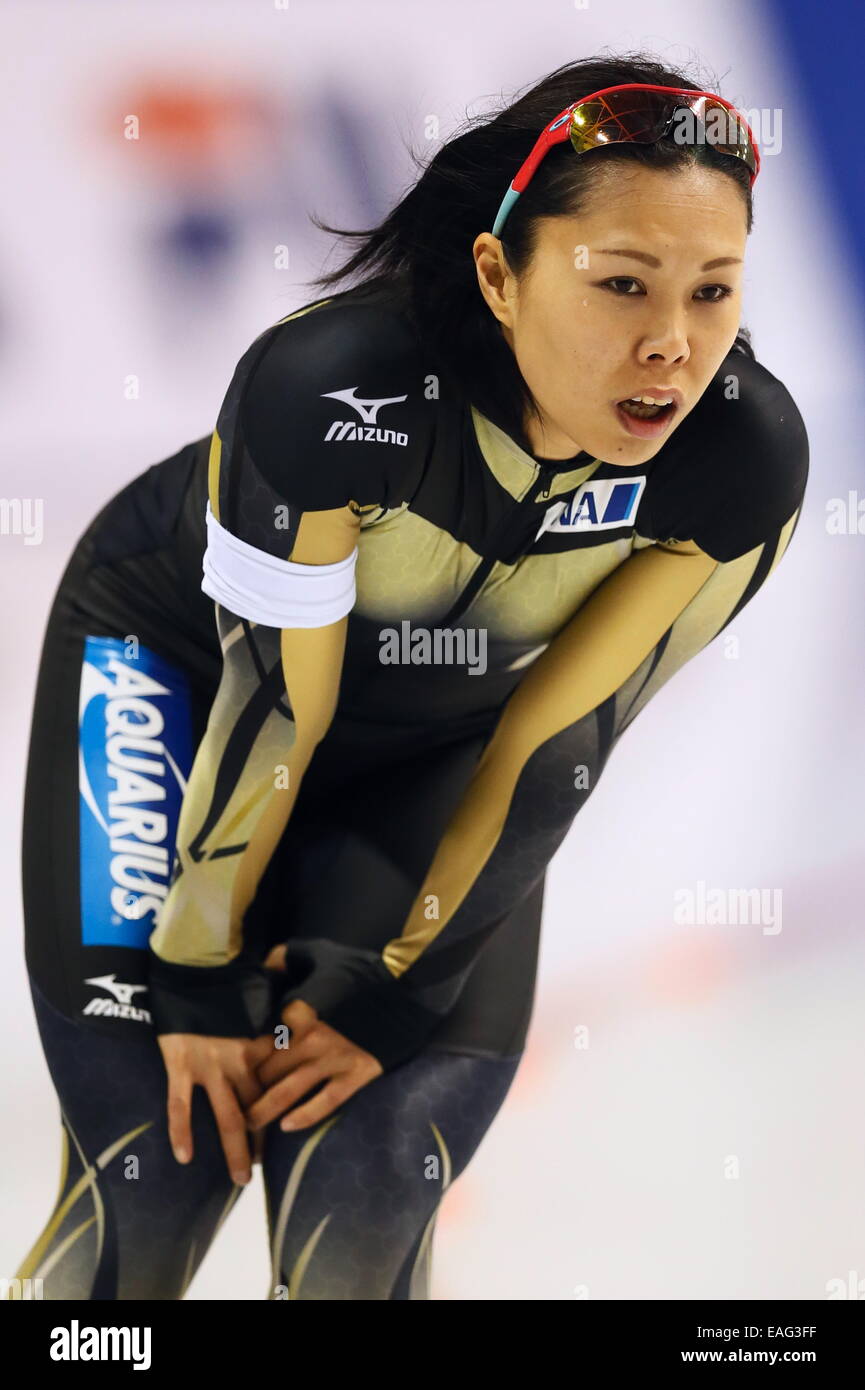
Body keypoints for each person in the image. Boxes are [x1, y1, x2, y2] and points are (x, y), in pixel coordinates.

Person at [12, 54, 809, 1300]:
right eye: (621, 285)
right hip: (183, 682)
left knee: (365, 1206)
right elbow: (279, 700)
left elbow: (559, 733)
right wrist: (195, 965)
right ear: (498, 274)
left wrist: (396, 985)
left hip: (434, 764)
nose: (671, 346)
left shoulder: (736, 455)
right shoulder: (341, 387)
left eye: (714, 291)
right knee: (150, 1189)